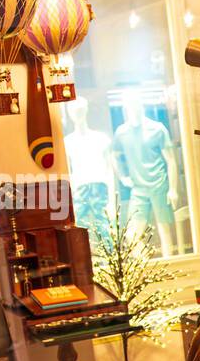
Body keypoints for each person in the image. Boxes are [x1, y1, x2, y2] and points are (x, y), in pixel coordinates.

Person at [111, 87, 180, 255]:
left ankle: (170, 265)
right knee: (131, 235)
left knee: (164, 231)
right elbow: (114, 155)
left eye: (135, 102)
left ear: (140, 104)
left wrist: (173, 189)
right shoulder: (122, 132)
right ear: (125, 107)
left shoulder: (156, 129)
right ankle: (143, 267)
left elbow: (171, 160)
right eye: (129, 103)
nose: (132, 106)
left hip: (159, 185)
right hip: (138, 189)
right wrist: (123, 177)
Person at [62, 96, 116, 236]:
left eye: (80, 110)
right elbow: (68, 172)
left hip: (100, 187)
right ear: (69, 114)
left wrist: (112, 200)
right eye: (74, 111)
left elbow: (109, 170)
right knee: (81, 231)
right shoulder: (67, 142)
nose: (77, 114)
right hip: (79, 190)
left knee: (105, 230)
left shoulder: (101, 139)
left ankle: (109, 251)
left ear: (86, 110)